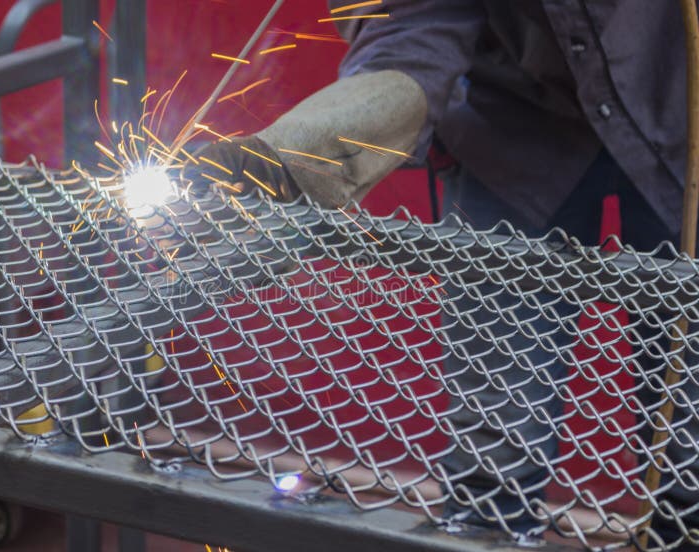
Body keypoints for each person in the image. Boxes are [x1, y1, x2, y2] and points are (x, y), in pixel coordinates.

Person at [182, 1, 698, 548]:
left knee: (692, 437)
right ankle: (487, 525)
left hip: (681, 104)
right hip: (517, 128)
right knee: (495, 440)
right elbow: (410, 27)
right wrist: (294, 159)